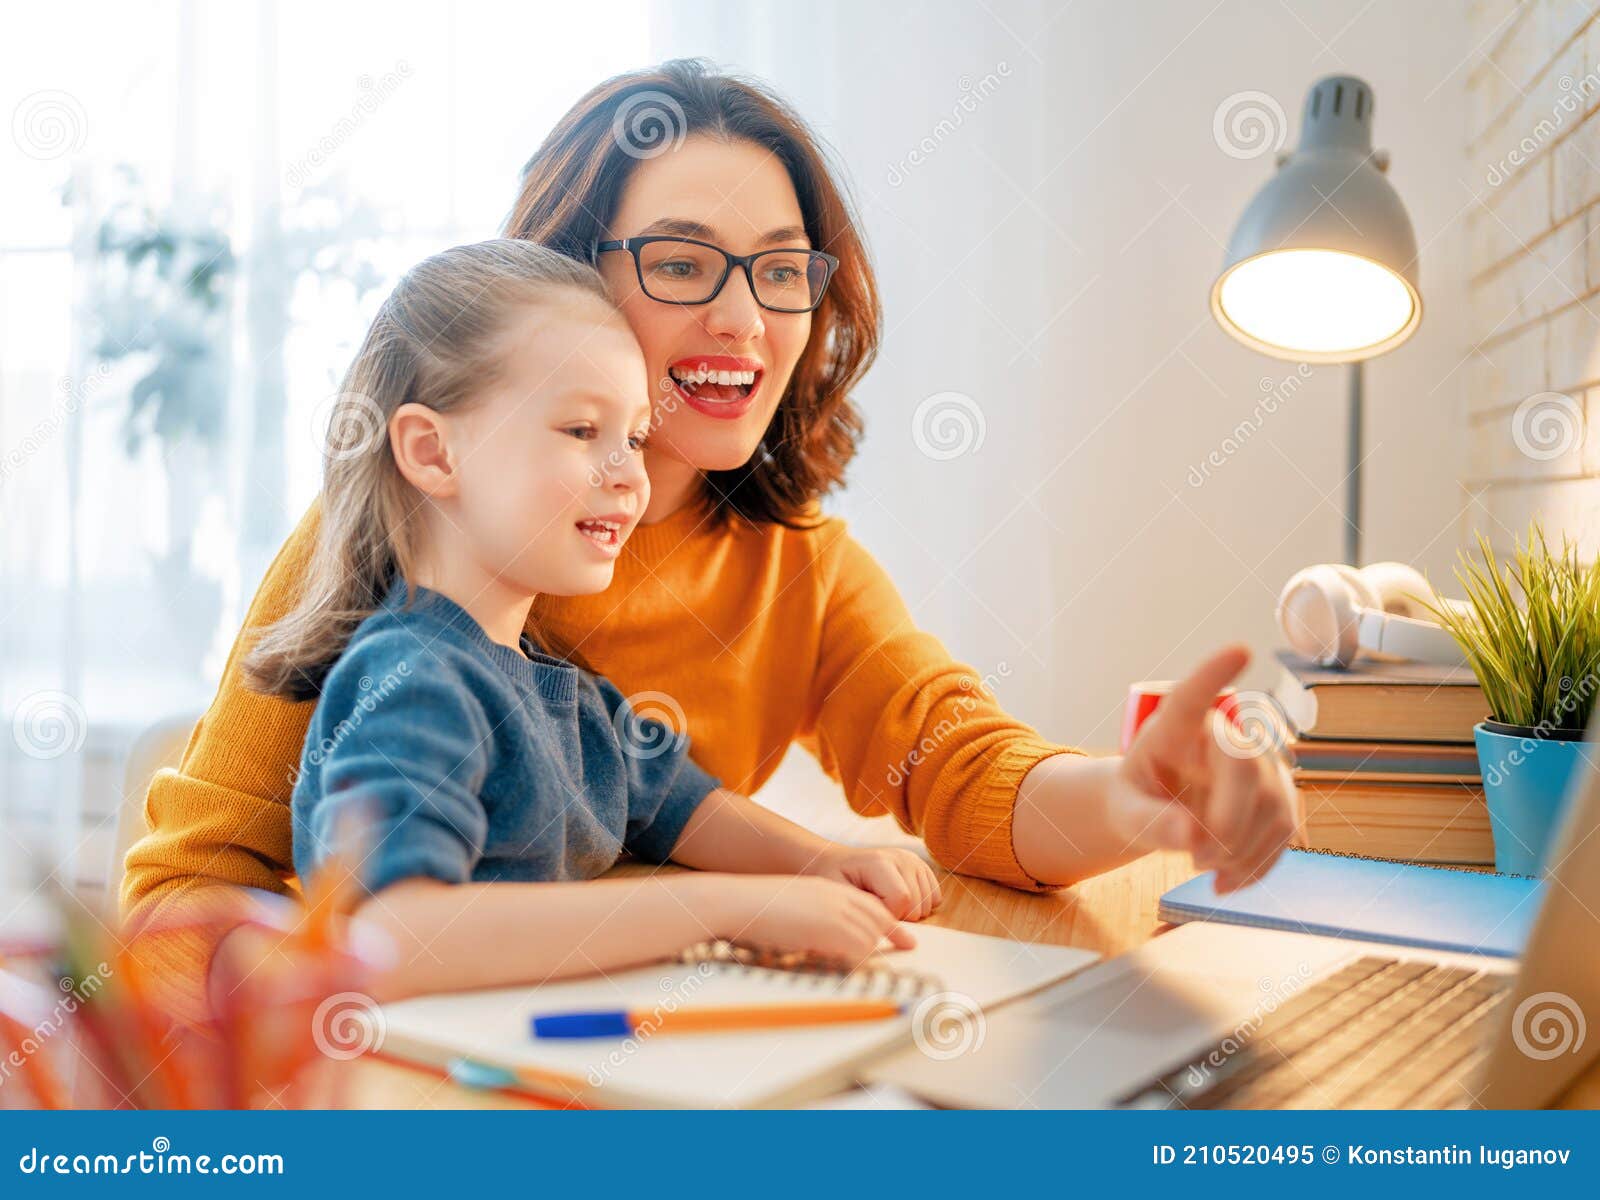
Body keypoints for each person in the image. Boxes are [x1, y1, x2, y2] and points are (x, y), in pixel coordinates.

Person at [122, 60, 1296, 1024]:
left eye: (782, 272)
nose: (742, 318)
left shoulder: (798, 567)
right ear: (566, 280)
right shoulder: (391, 549)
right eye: (682, 262)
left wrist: (1136, 804)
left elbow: (964, 770)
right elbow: (185, 904)